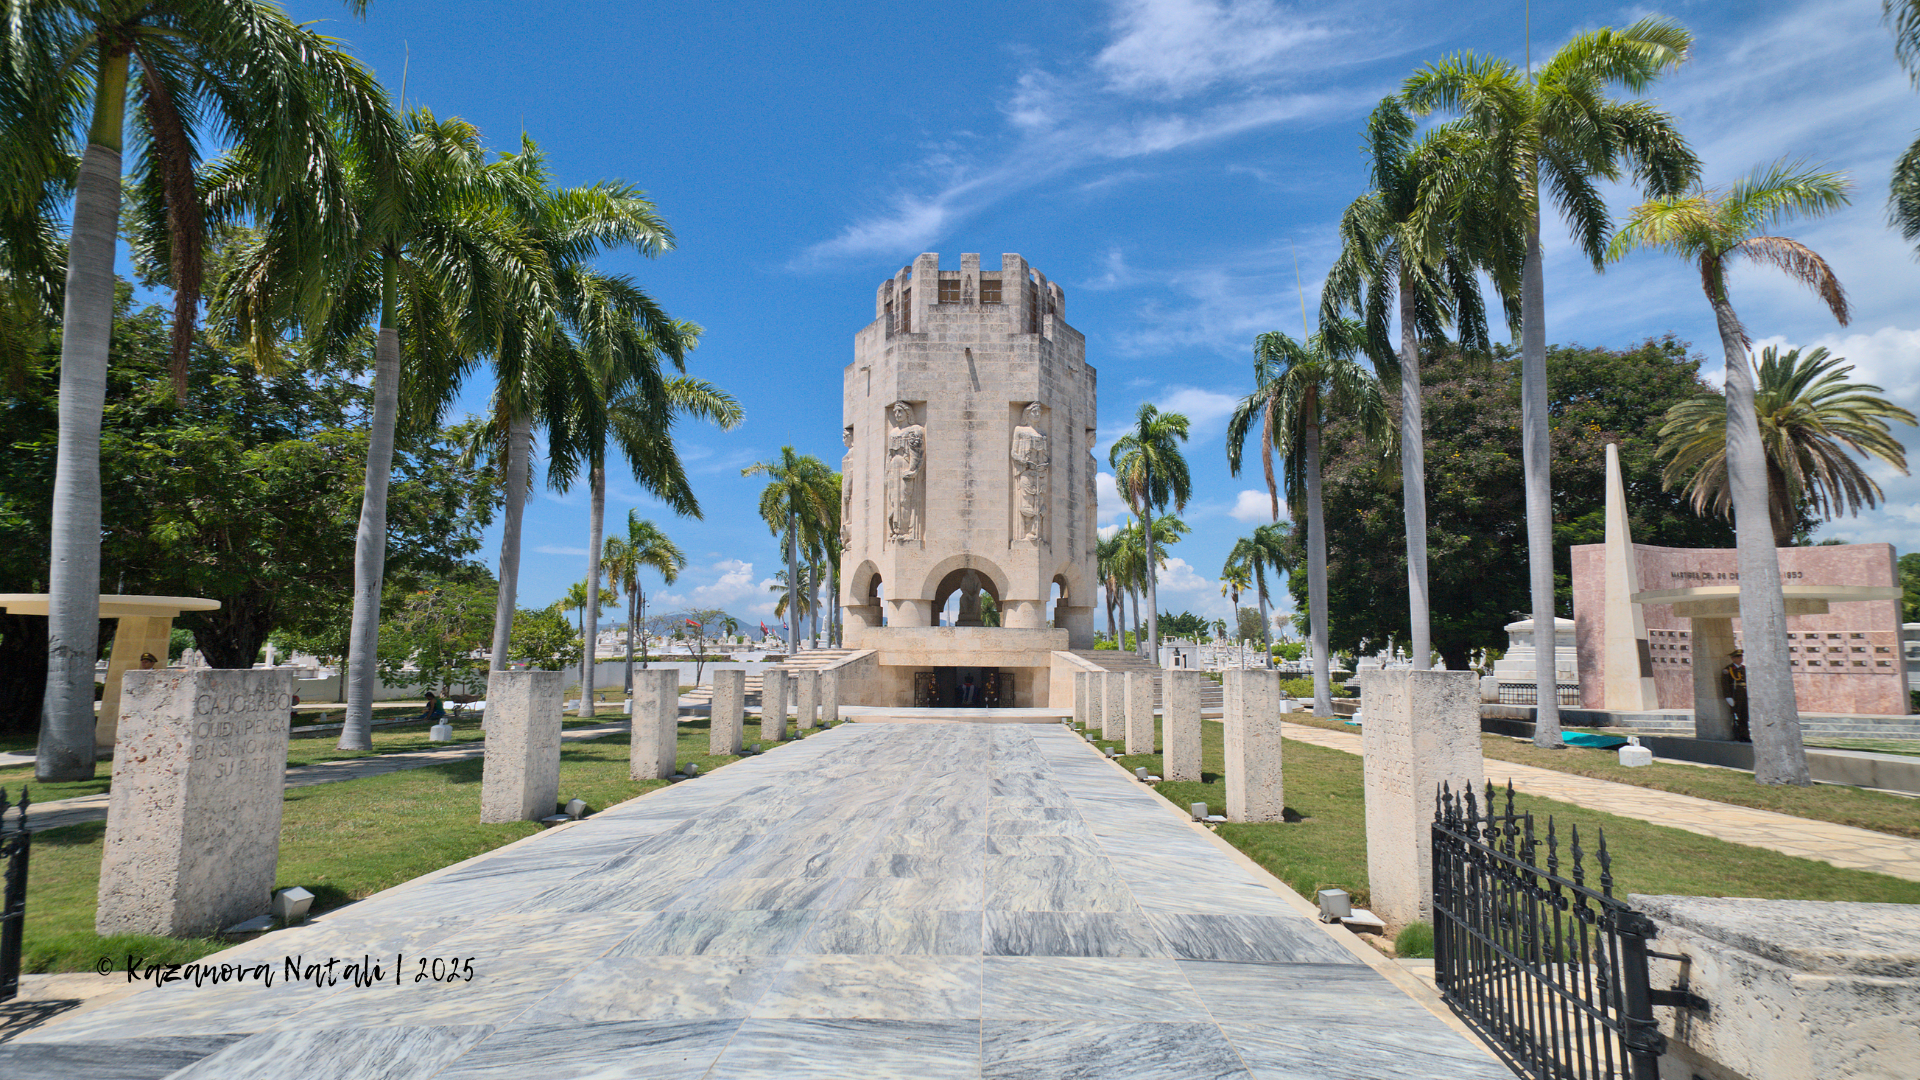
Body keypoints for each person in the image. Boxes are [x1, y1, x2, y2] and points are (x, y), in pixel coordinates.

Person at [1722, 649, 1750, 743]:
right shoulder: (1728, 670)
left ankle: (1745, 736)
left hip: (1744, 695)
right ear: (1732, 658)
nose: (1740, 659)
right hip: (1735, 696)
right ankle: (1738, 736)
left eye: (1741, 657)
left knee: (1745, 716)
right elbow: (1725, 684)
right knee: (1736, 717)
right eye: (1738, 657)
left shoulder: (1744, 668)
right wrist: (1728, 696)